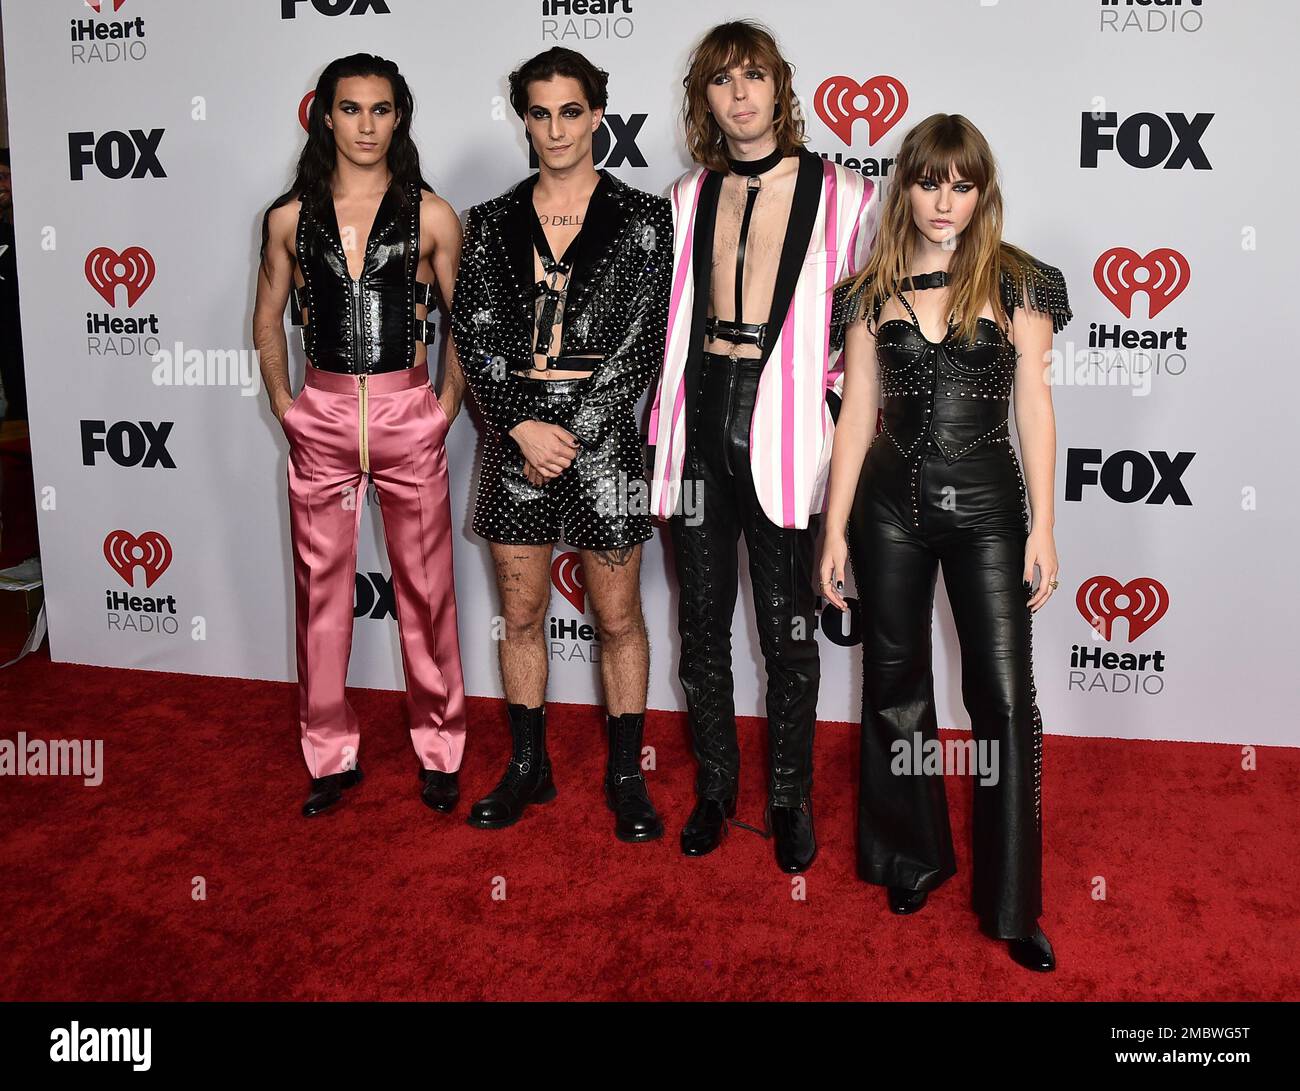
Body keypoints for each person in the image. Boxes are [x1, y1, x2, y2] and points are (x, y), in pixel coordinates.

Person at [820, 113, 1069, 971]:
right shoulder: (865, 291)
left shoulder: (1021, 282)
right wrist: (834, 530)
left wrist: (1045, 522)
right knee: (895, 684)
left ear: (982, 192)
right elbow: (855, 414)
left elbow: (1034, 407)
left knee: (1002, 699)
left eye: (962, 184)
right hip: (887, 508)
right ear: (907, 186)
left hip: (990, 512)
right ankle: (910, 855)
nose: (944, 201)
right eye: (930, 181)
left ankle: (1013, 901)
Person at [647, 20, 878, 873]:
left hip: (788, 434)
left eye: (754, 75)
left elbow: (860, 333)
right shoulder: (686, 196)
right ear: (703, 98)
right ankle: (715, 788)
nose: (740, 93)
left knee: (789, 636)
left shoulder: (848, 196)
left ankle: (789, 798)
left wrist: (824, 412)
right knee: (701, 630)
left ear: (781, 86)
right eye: (721, 80)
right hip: (701, 417)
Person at [451, 47, 672, 841]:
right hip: (515, 440)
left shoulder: (647, 219)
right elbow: (473, 337)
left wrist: (570, 433)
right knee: (520, 614)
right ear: (524, 119)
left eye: (570, 111)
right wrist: (518, 423)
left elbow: (644, 345)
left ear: (597, 116)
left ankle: (624, 776)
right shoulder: (488, 224)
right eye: (539, 113)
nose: (555, 129)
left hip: (605, 445)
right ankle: (527, 767)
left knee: (619, 617)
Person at [253, 53, 468, 818]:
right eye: (352, 109)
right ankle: (328, 754)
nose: (367, 125)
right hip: (325, 414)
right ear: (326, 116)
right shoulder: (287, 217)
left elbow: (466, 323)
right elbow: (268, 316)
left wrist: (441, 408)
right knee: (321, 595)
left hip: (410, 414)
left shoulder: (433, 214)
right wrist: (288, 404)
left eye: (382, 109)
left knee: (428, 591)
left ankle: (441, 747)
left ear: (399, 116)